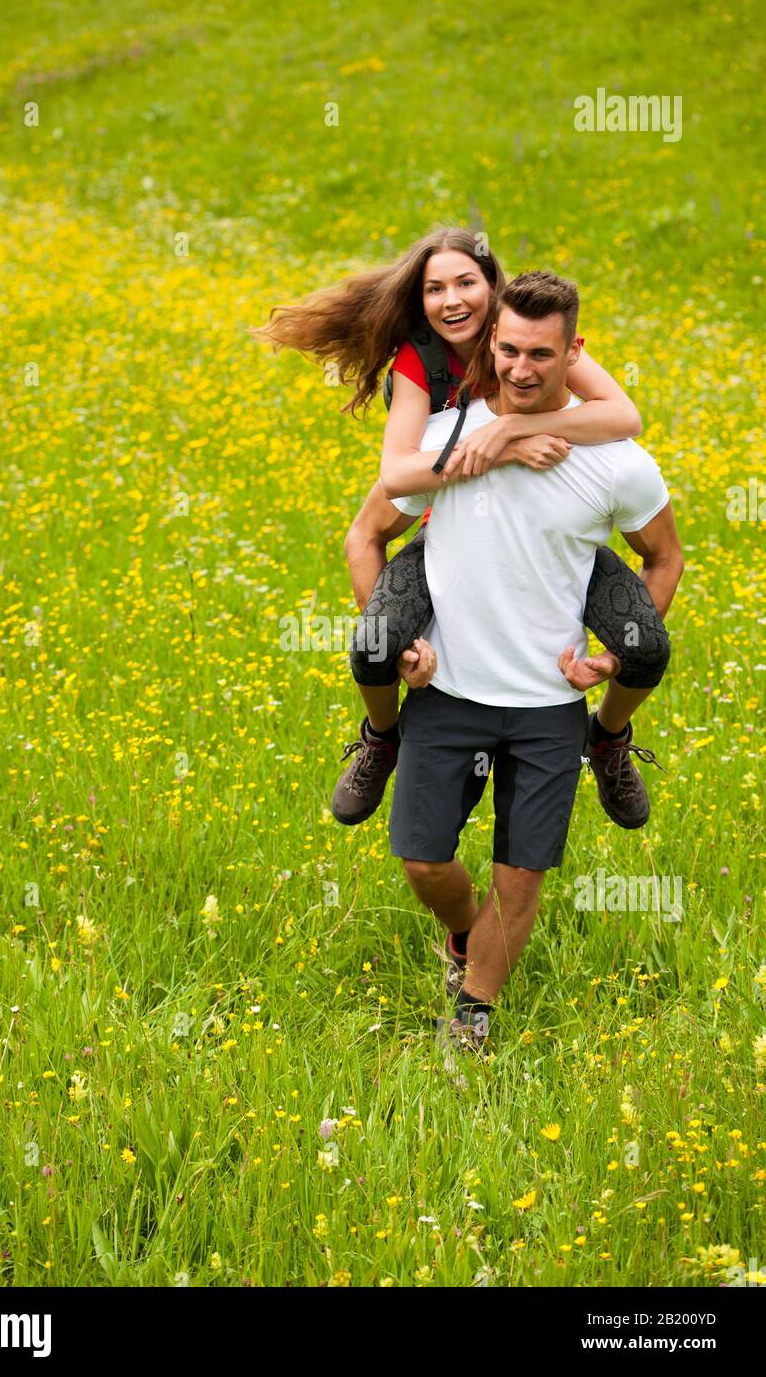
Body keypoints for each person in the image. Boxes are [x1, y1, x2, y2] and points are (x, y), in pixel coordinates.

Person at [254, 228, 670, 840]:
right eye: (433, 287)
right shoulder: (421, 360)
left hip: (552, 538)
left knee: (647, 647)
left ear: (494, 288)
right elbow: (396, 475)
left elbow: (625, 416)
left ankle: (606, 741)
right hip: (447, 528)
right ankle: (383, 740)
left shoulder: (531, 334)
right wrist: (499, 450)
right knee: (373, 644)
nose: (452, 300)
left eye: (466, 282)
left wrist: (509, 432)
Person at [368, 269, 683, 1072]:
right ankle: (465, 937)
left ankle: (473, 1013)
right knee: (423, 860)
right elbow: (369, 527)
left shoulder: (615, 460)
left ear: (572, 351)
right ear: (490, 348)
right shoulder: (449, 435)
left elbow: (664, 556)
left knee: (523, 878)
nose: (520, 368)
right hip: (448, 692)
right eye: (507, 349)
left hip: (548, 705)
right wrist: (400, 643)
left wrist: (614, 657)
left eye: (541, 354)